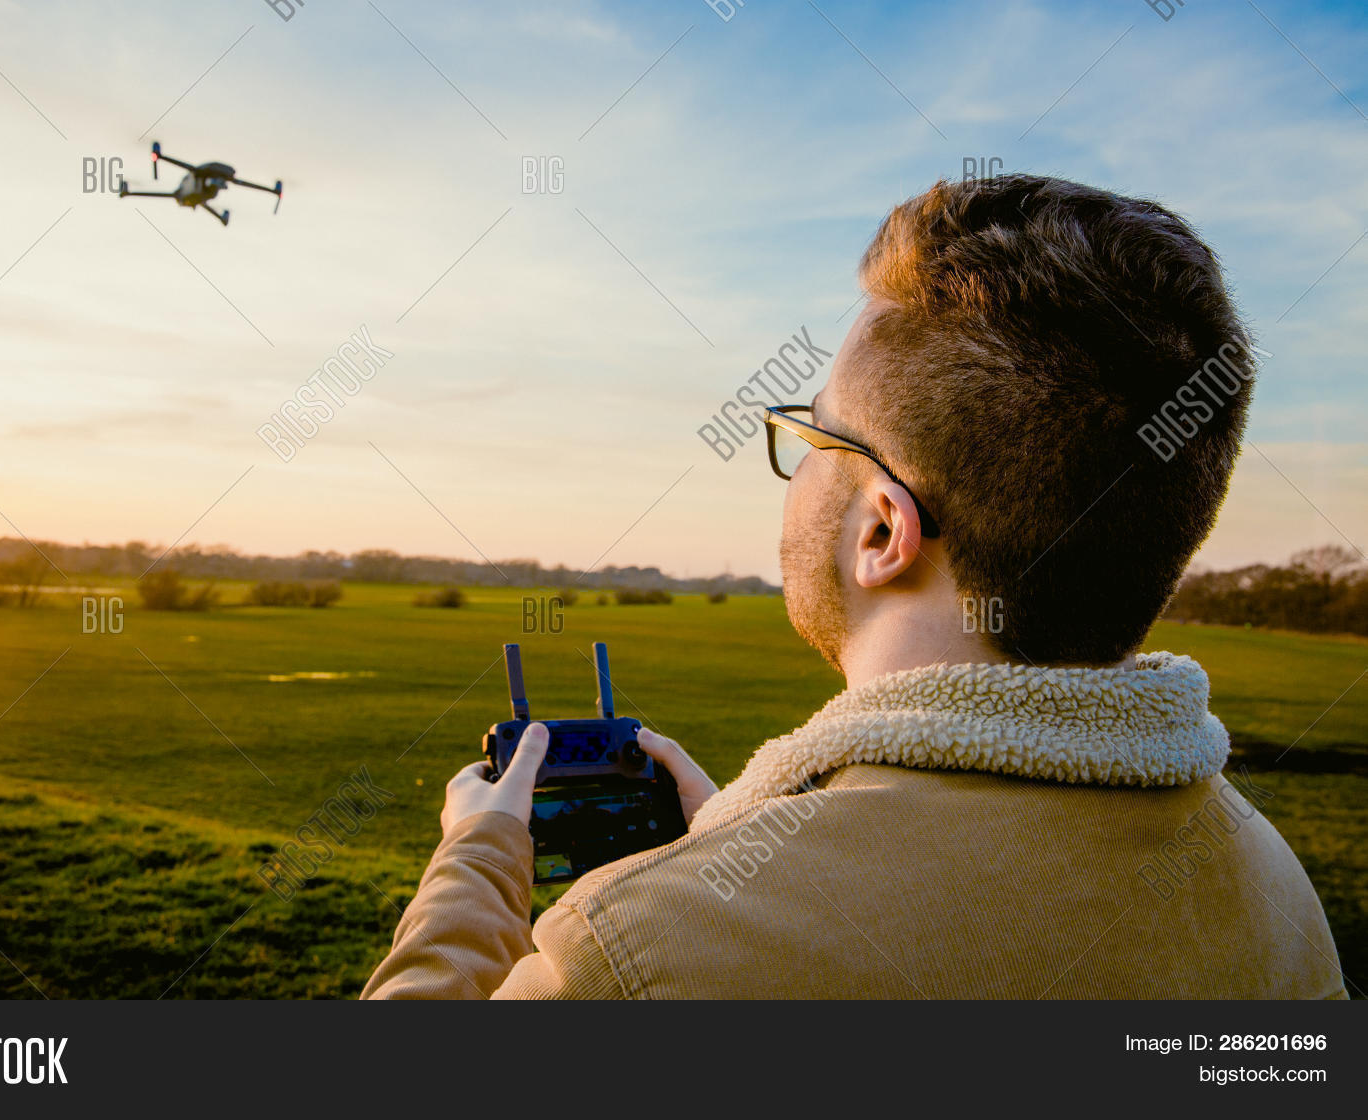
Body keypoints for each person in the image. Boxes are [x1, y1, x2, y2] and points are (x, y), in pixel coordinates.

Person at [362, 174, 1346, 1000]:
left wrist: (480, 857)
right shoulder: (1273, 886)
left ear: (884, 527)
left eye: (814, 436)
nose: (797, 474)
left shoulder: (643, 959)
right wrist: (745, 837)